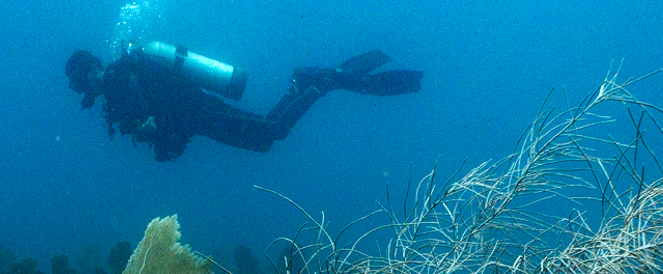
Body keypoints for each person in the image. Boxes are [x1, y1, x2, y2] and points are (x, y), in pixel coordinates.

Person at [65, 45, 422, 162]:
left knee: (274, 132)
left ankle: (317, 83)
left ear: (92, 68)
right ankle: (306, 84)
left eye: (79, 79)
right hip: (199, 116)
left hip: (199, 112)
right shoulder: (116, 83)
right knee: (266, 139)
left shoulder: (117, 78)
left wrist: (153, 127)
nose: (79, 88)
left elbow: (160, 107)